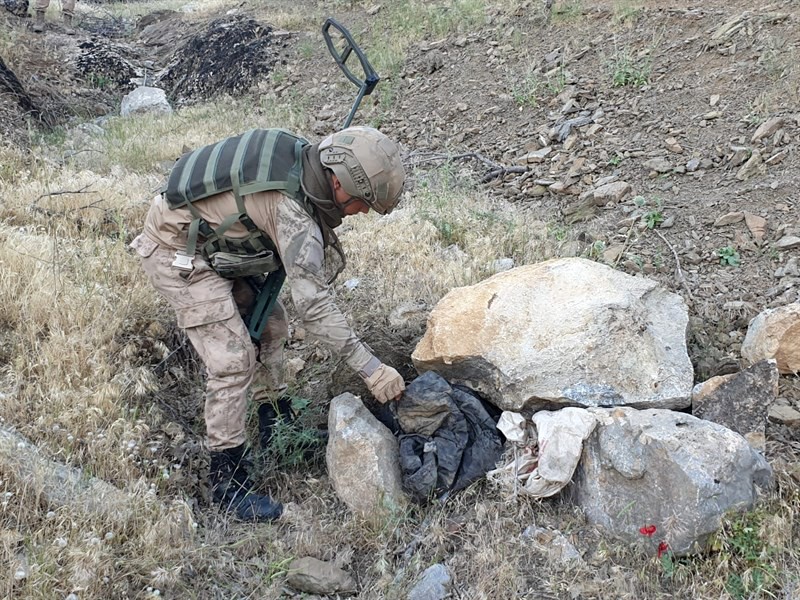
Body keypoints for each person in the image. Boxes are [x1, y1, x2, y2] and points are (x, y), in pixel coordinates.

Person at [130, 126, 407, 522]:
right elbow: (314, 308)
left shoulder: (306, 166)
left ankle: (275, 425)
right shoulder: (292, 215)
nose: (361, 212)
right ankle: (229, 483)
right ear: (338, 180)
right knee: (233, 359)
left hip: (215, 241)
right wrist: (372, 369)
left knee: (272, 324)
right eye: (362, 202)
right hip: (177, 250)